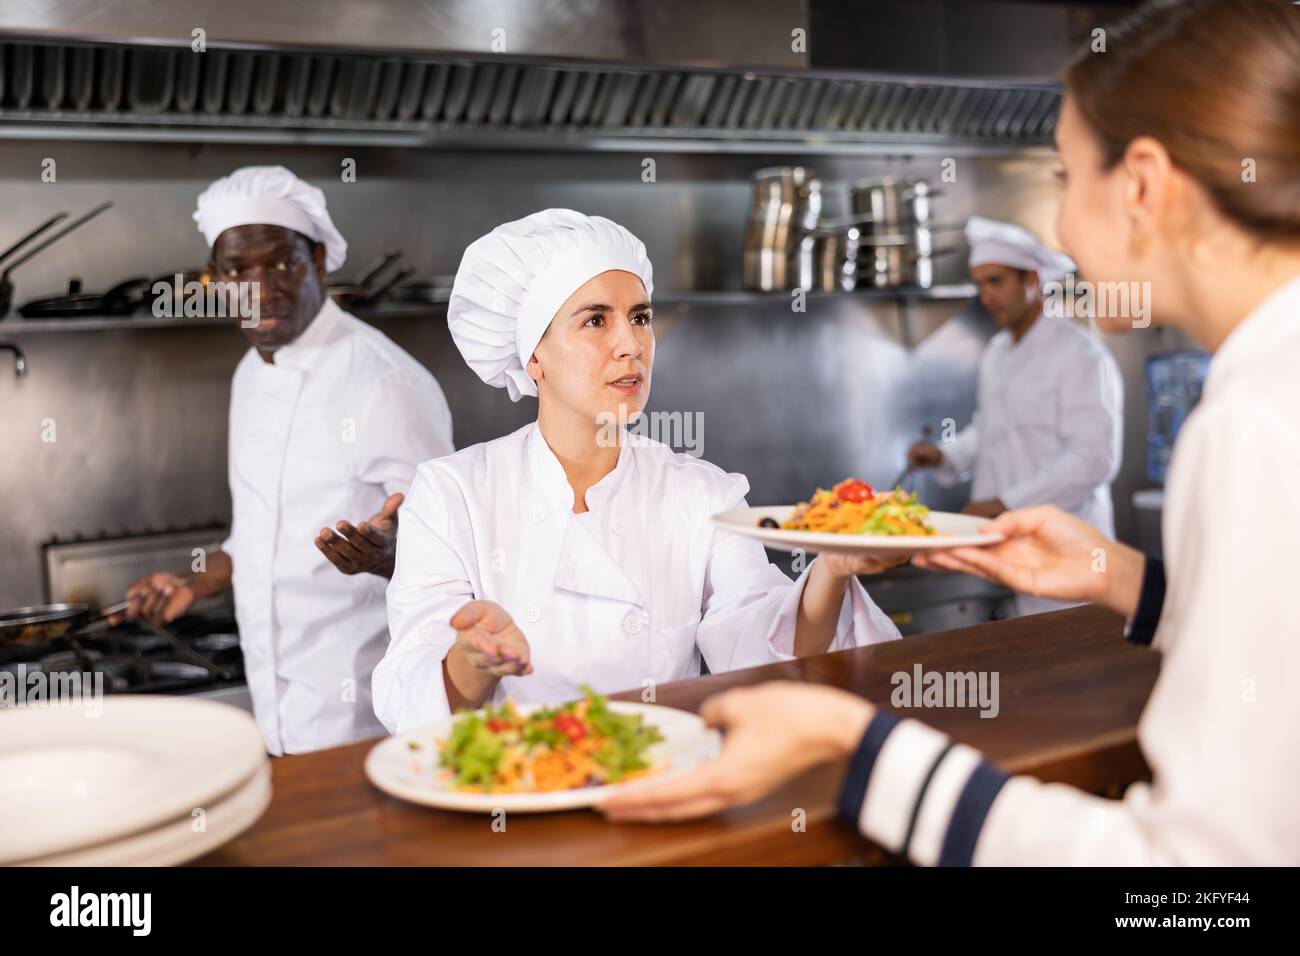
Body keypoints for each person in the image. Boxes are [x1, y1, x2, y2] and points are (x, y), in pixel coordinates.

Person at [601, 0, 1300, 865]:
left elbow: (1201, 888)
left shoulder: (1252, 425)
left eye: (1064, 179)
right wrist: (1119, 576)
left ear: (1144, 186)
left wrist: (856, 746)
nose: (1067, 230)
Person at [373, 209, 901, 731]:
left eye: (641, 317)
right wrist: (474, 659)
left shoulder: (701, 493)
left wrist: (831, 570)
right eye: (596, 320)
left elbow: (763, 652)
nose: (631, 345)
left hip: (666, 778)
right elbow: (413, 691)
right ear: (534, 357)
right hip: (518, 792)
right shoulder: (454, 493)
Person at [117, 166, 455, 755]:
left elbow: (452, 554)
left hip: (368, 722)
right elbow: (260, 530)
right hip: (275, 713)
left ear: (319, 262)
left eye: (282, 263)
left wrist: (389, 553)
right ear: (215, 280)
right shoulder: (251, 375)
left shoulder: (385, 380)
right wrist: (195, 585)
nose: (262, 288)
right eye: (237, 270)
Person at [907, 216, 1124, 616]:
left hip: (1071, 549)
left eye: (996, 281)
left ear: (1032, 281)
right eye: (980, 284)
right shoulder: (997, 353)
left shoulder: (1079, 355)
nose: (986, 296)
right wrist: (945, 456)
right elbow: (990, 429)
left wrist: (1004, 503)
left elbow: (1094, 458)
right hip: (1012, 550)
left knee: (1079, 664)